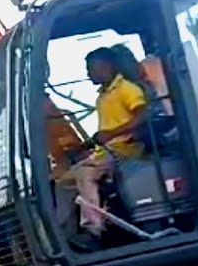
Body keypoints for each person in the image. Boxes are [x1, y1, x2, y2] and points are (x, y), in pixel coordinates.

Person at [56, 46, 151, 250]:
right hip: (105, 152)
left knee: (85, 174)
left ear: (106, 66)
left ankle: (93, 230)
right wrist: (82, 147)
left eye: (91, 68)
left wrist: (113, 134)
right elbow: (104, 133)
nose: (88, 73)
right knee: (63, 181)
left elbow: (144, 115)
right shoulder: (102, 96)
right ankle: (64, 235)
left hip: (125, 150)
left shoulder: (126, 89)